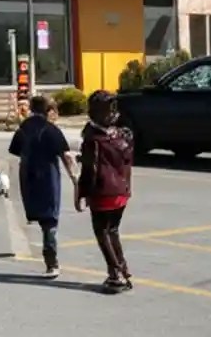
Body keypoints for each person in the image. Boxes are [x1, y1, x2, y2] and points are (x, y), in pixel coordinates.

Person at [8, 93, 78, 278]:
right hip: (47, 176)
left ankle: (50, 257)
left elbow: (15, 151)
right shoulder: (51, 130)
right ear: (49, 111)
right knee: (50, 219)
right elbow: (66, 156)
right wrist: (74, 178)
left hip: (28, 175)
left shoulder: (24, 128)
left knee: (40, 215)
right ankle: (51, 261)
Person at [75, 90, 135, 293]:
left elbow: (90, 170)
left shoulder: (93, 139)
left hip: (102, 190)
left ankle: (115, 273)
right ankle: (122, 268)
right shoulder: (122, 135)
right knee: (113, 230)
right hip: (121, 189)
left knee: (102, 231)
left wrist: (82, 192)